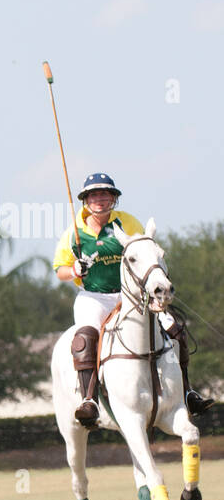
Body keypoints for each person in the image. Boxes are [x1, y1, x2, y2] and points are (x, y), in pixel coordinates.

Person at [53, 172, 212, 429]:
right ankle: (89, 400)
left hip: (133, 295)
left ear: (113, 199)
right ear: (85, 200)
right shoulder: (74, 232)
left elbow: (147, 253)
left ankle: (187, 392)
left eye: (105, 194)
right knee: (85, 339)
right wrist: (74, 271)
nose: (100, 199)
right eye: (94, 195)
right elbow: (59, 269)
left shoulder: (128, 223)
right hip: (94, 297)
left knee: (175, 330)